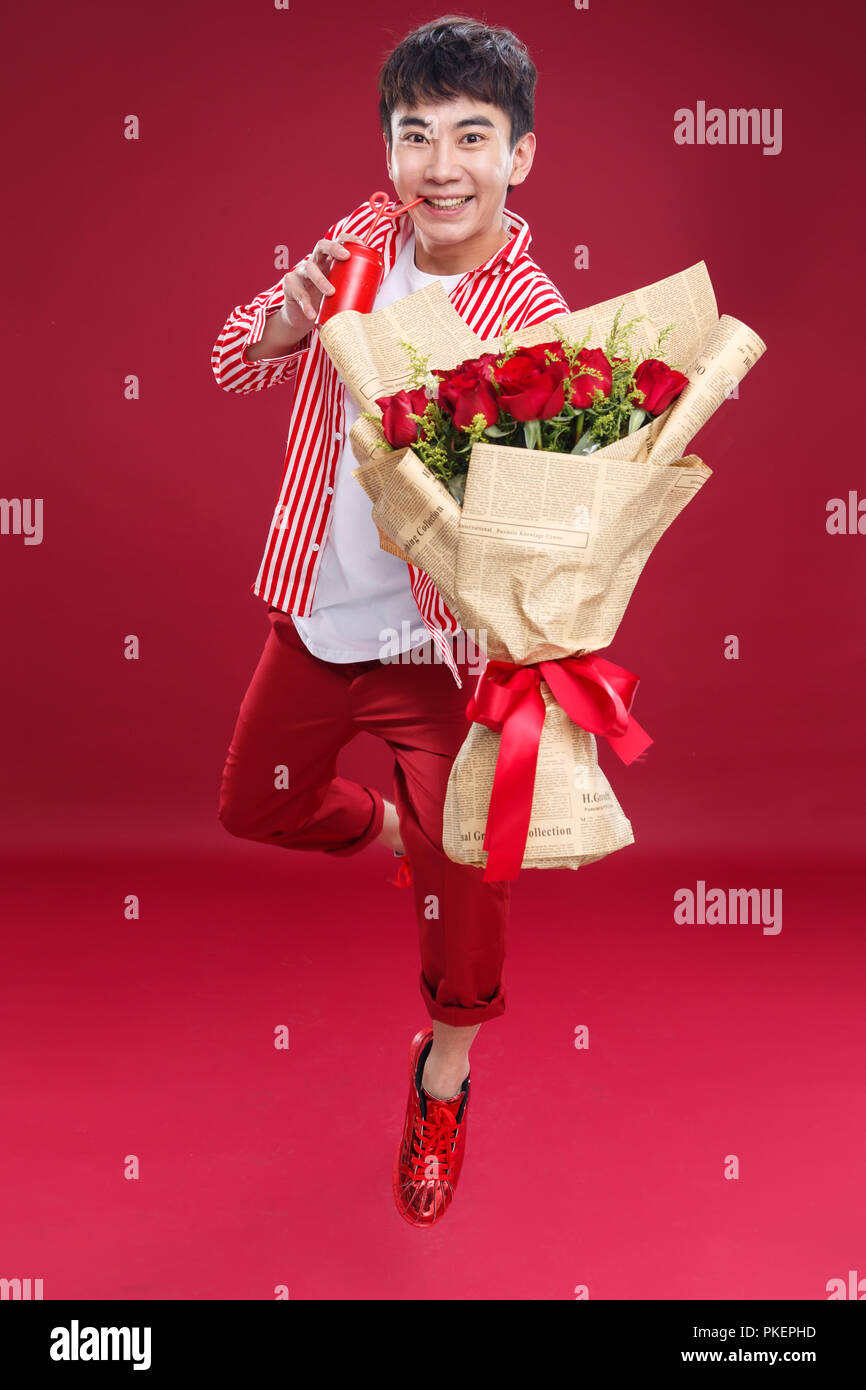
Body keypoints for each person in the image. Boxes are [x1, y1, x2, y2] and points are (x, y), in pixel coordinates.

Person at [211, 15, 569, 1228]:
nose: (441, 164)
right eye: (415, 135)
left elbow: (550, 512)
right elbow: (229, 362)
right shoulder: (355, 240)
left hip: (438, 655)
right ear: (388, 149)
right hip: (315, 620)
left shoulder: (535, 312)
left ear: (518, 154)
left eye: (472, 135)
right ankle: (378, 831)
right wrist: (287, 317)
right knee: (252, 804)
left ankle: (445, 1074)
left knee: (467, 879)